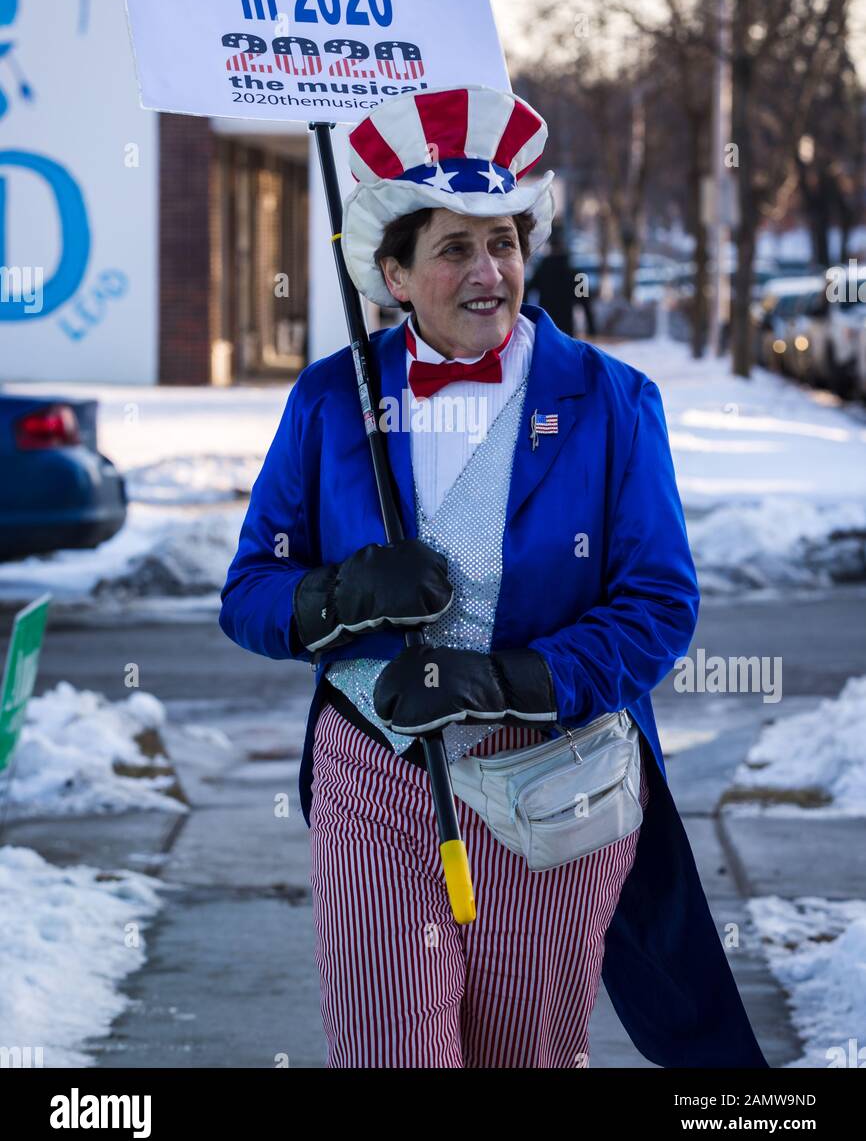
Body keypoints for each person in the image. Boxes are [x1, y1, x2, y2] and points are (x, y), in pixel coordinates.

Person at [219, 84, 769, 1071]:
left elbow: (657, 606)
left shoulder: (608, 402)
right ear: (391, 272)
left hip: (552, 786)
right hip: (374, 776)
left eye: (504, 242)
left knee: (523, 1054)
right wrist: (339, 596)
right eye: (455, 248)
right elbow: (248, 592)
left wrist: (511, 678)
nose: (491, 270)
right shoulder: (329, 402)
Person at [525, 220, 596, 337]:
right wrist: (592, 327)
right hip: (567, 326)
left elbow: (527, 291)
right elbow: (585, 302)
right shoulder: (575, 273)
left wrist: (527, 316)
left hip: (547, 323)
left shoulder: (542, 271)